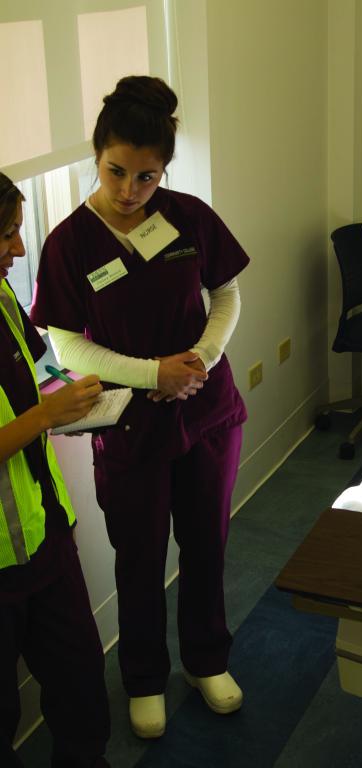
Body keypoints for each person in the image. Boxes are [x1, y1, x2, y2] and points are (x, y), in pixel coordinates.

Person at [31, 76, 250, 739]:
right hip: (130, 425)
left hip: (205, 412)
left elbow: (227, 293)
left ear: (165, 171)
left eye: (147, 177)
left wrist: (202, 361)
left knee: (207, 544)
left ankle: (207, 659)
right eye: (117, 172)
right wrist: (151, 372)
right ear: (96, 157)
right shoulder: (70, 242)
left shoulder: (186, 216)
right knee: (139, 556)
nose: (130, 191)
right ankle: (145, 677)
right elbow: (66, 341)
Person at [0, 173, 111, 767]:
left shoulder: (1, 297)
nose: (19, 249)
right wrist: (45, 416)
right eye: (7, 234)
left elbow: (41, 367)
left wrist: (77, 394)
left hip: (46, 534)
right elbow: (31, 414)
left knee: (81, 691)